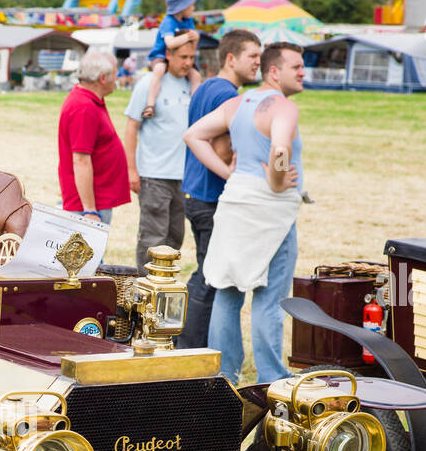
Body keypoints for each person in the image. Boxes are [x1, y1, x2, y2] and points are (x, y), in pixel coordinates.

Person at [185, 42, 306, 384]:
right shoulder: (283, 107)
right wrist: (277, 180)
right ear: (274, 71)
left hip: (236, 202)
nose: (302, 72)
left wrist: (229, 174)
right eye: (296, 66)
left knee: (228, 290)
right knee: (269, 299)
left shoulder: (237, 103)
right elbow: (280, 149)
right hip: (270, 211)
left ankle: (224, 376)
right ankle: (271, 377)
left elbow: (193, 136)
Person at [176, 28, 261, 349]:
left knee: (205, 273)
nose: (258, 63)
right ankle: (188, 347)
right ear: (230, 58)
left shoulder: (205, 87)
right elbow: (224, 146)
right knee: (210, 278)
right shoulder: (229, 96)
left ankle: (187, 341)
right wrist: (230, 172)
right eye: (252, 56)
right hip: (211, 198)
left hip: (195, 193)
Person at [124, 39, 197, 273]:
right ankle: (144, 296)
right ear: (168, 54)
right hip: (154, 174)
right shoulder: (149, 83)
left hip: (184, 177)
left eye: (191, 58)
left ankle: (165, 290)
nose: (188, 63)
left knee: (175, 238)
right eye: (182, 57)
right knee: (153, 240)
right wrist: (131, 170)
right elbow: (131, 126)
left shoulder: (191, 84)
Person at [57, 50, 130, 224]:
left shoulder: (90, 101)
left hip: (97, 198)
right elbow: (81, 160)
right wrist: (89, 210)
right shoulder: (83, 106)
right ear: (102, 78)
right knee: (90, 252)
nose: (117, 78)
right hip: (89, 205)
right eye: (114, 74)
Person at [142, 0, 203, 120]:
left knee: (196, 76)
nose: (194, 8)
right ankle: (150, 104)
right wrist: (188, 36)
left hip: (180, 57)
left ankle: (196, 106)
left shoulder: (188, 20)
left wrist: (195, 37)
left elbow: (193, 43)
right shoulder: (168, 21)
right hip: (161, 56)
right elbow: (170, 43)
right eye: (191, 5)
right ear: (183, 6)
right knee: (159, 69)